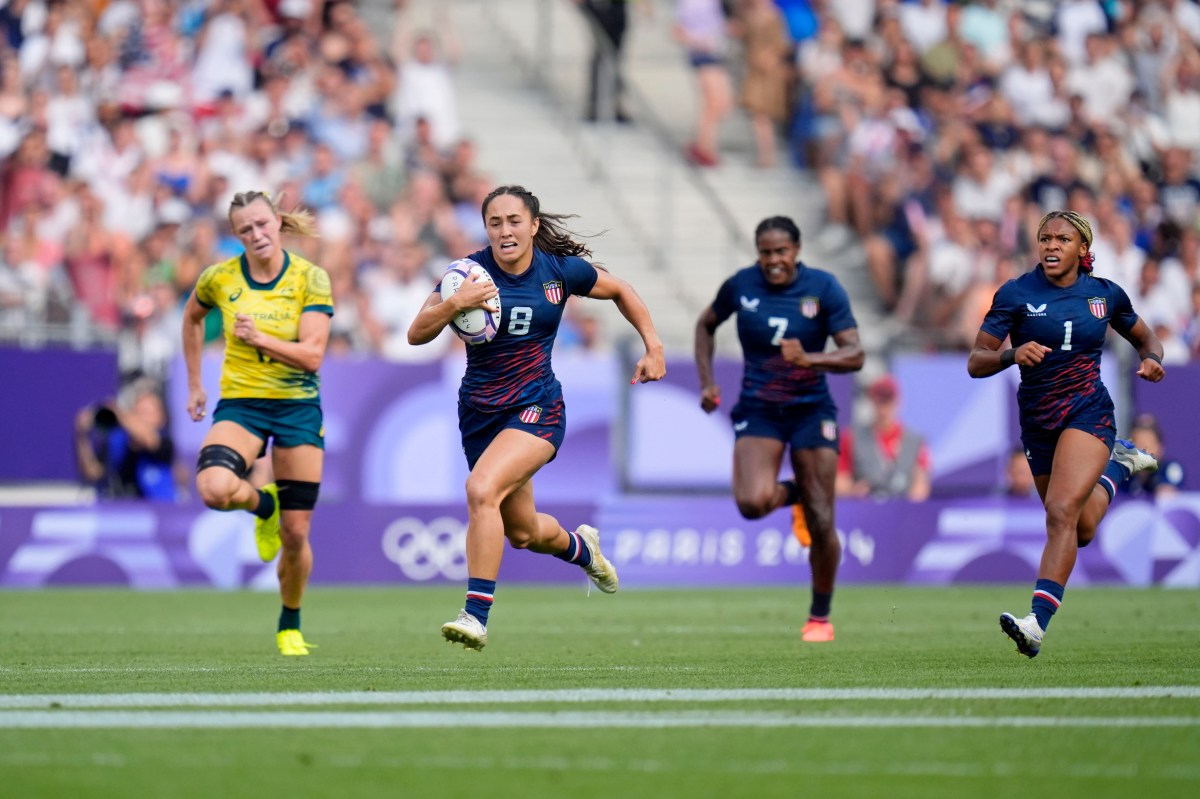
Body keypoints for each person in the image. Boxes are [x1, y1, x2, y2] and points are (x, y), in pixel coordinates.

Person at [407, 184, 666, 651]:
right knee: (523, 532)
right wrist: (453, 305)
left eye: (513, 221)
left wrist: (654, 345)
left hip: (538, 407)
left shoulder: (560, 272)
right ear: (486, 229)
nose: (504, 231)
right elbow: (415, 333)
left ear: (533, 226)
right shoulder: (465, 274)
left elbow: (620, 290)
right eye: (494, 222)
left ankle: (475, 615)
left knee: (481, 490)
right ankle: (583, 549)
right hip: (480, 415)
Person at [968, 210, 1164, 658]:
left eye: (1062, 239)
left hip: (1088, 413)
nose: (1051, 246)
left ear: (1083, 249)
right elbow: (976, 360)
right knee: (1082, 528)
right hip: (1038, 423)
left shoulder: (1105, 295)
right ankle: (1120, 463)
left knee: (1059, 512)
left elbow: (1147, 338)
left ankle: (1036, 622)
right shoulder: (1016, 293)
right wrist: (1012, 354)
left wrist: (1153, 358)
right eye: (1044, 238)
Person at [694, 215, 864, 643]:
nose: (773, 261)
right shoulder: (741, 285)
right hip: (760, 409)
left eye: (781, 252)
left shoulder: (824, 288)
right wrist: (707, 381)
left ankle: (819, 617)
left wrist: (812, 359)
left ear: (797, 250)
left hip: (812, 409)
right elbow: (705, 325)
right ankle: (800, 491)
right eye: (766, 252)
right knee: (751, 503)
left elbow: (855, 354)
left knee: (823, 519)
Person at [181, 190, 334, 657]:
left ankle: (290, 623)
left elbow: (312, 355)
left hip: (297, 407)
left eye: (263, 224)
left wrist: (258, 336)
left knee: (296, 534)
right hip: (243, 405)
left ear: (278, 222)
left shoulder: (310, 277)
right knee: (213, 488)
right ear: (236, 235)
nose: (257, 234)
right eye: (246, 229)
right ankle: (261, 506)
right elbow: (191, 319)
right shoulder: (220, 278)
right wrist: (194, 385)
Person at [74, 378, 177, 501]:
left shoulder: (165, 442)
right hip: (124, 510)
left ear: (161, 418)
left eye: (147, 412)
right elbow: (93, 473)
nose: (141, 418)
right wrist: (82, 437)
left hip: (158, 511)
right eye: (138, 412)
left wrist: (118, 412)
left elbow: (148, 440)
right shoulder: (118, 442)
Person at [836, 374, 932, 501]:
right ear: (872, 402)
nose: (884, 410)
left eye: (888, 402)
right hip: (865, 509)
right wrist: (853, 490)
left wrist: (909, 506)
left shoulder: (915, 441)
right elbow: (840, 480)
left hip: (901, 509)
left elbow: (921, 483)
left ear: (898, 402)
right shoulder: (850, 437)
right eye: (879, 402)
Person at [1126, 413, 1185, 498]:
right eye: (1137, 444)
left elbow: (1167, 497)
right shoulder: (1125, 476)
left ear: (1160, 447)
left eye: (1148, 444)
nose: (1142, 450)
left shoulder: (1170, 469)